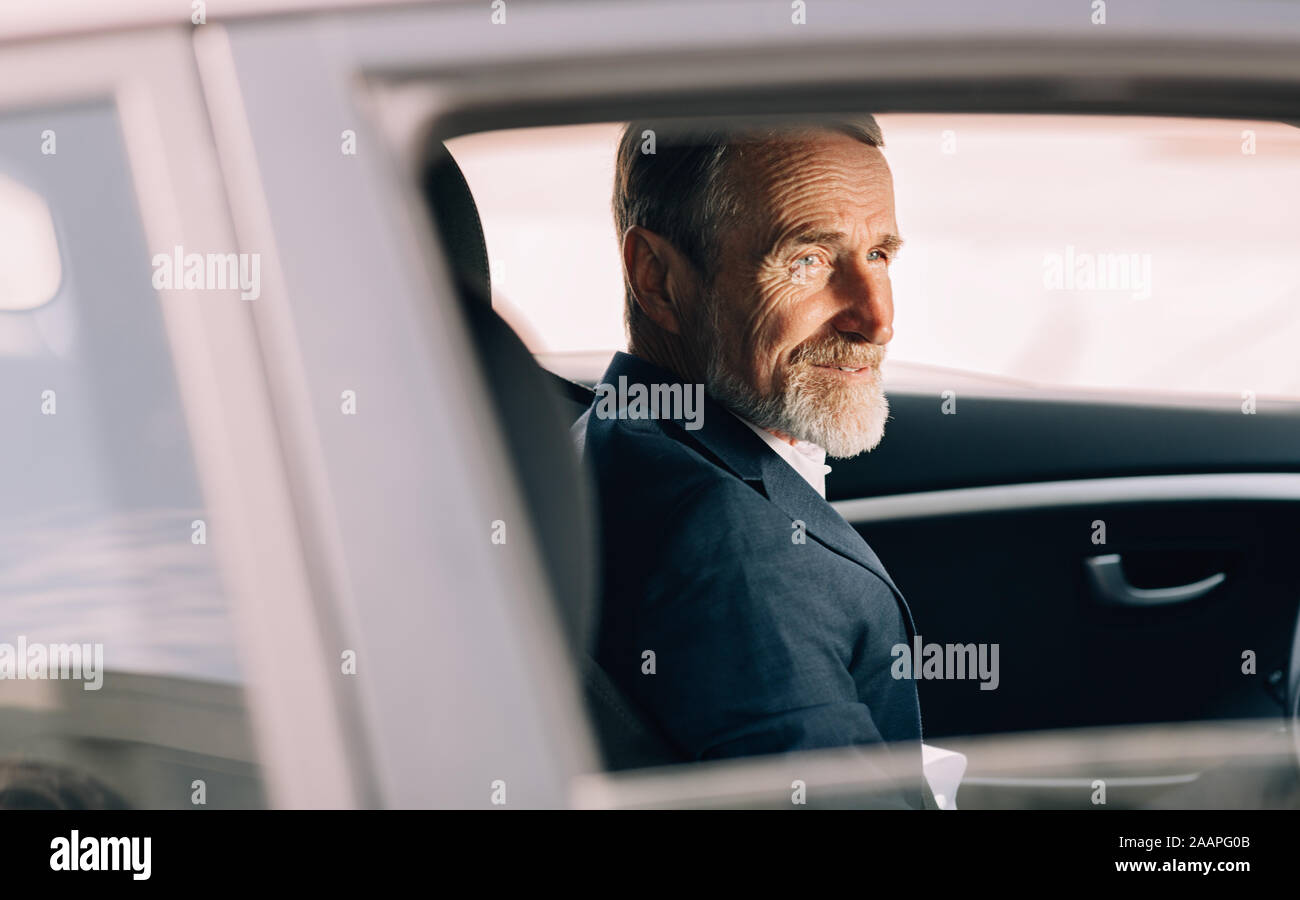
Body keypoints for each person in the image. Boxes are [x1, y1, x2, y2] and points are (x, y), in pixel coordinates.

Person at [574, 116, 942, 808]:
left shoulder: (614, 434)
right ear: (656, 279)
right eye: (807, 260)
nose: (877, 316)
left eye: (881, 255)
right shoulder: (739, 553)